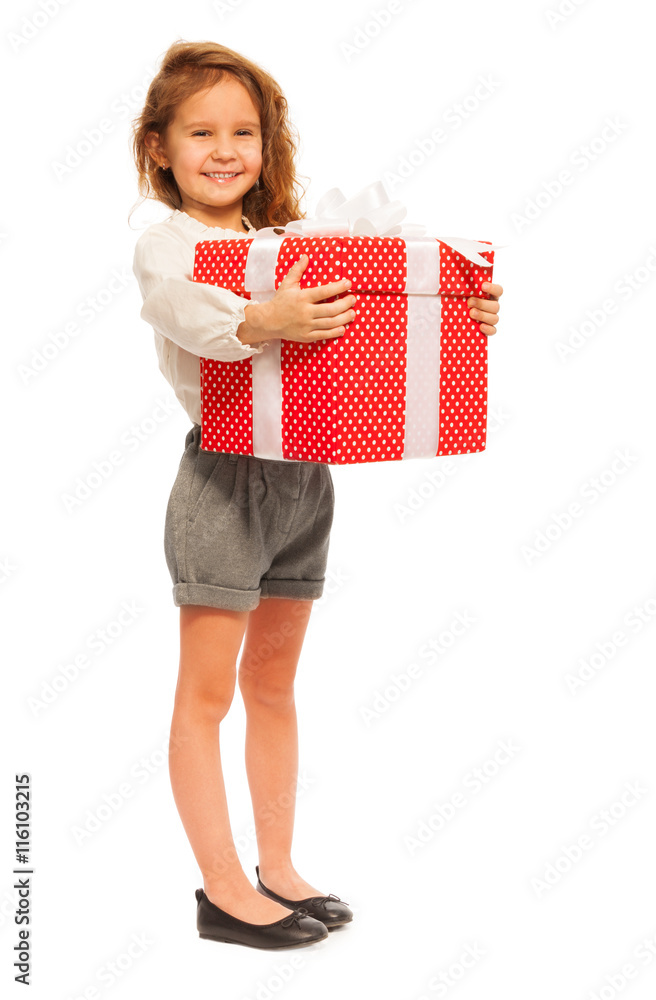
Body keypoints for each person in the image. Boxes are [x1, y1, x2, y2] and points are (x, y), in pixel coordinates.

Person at [129, 39, 503, 951]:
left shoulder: (286, 243)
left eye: (244, 132)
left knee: (273, 685)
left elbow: (379, 314)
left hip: (305, 479)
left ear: (267, 143)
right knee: (206, 695)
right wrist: (265, 319)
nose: (225, 150)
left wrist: (466, 306)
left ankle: (277, 866)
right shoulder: (169, 243)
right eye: (202, 132)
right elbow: (184, 312)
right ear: (161, 151)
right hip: (224, 479)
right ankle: (221, 889)